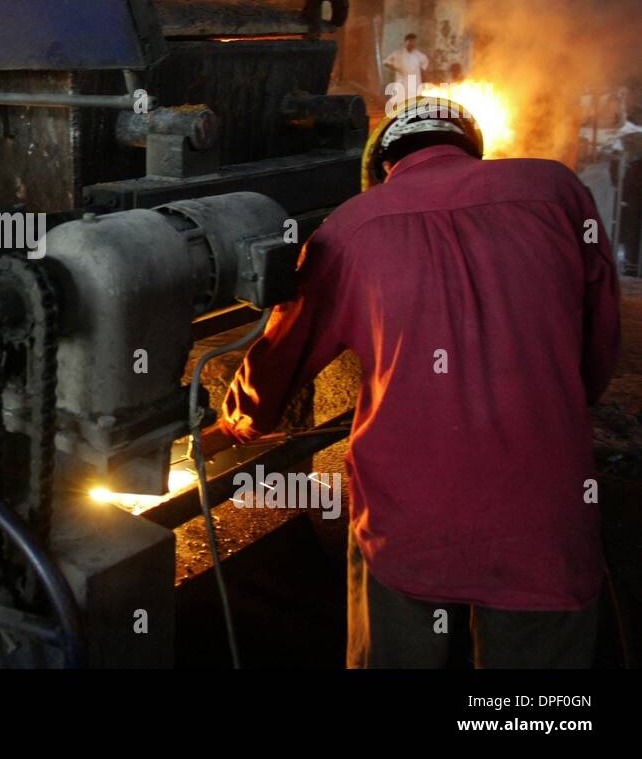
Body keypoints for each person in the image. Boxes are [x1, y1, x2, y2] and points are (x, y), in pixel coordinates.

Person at [200, 97, 619, 668]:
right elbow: (598, 337)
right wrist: (566, 400)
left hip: (408, 520)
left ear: (380, 165)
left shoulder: (349, 227)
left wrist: (240, 418)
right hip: (544, 512)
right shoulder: (556, 191)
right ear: (472, 147)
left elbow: (281, 353)